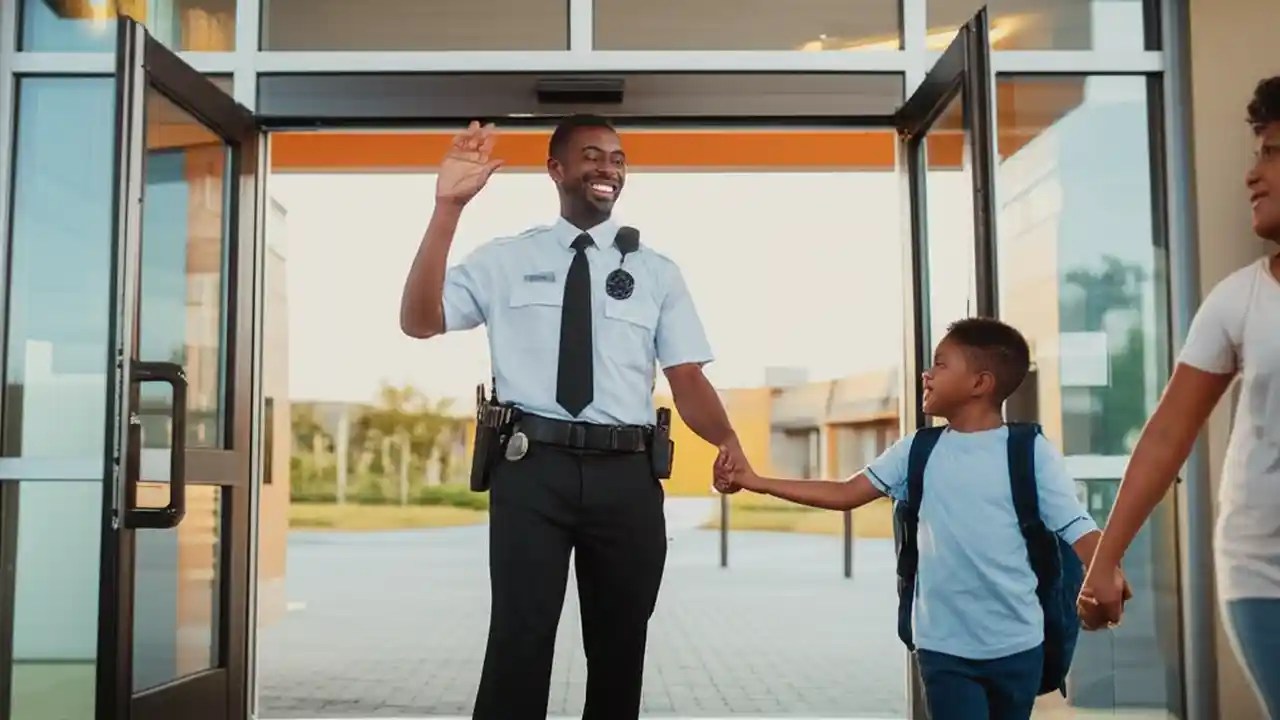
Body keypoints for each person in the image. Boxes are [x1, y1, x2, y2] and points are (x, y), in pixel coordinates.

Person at [398, 115, 746, 720]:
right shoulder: (505, 260)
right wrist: (446, 208)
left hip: (627, 477)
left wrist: (727, 438)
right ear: (555, 170)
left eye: (617, 158)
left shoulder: (657, 272)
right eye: (591, 156)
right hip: (532, 471)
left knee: (619, 651)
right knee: (518, 641)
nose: (607, 168)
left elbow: (686, 376)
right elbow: (420, 320)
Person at [713, 318, 1114, 720]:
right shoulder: (917, 451)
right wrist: (757, 482)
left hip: (1018, 647)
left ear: (980, 383)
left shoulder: (1029, 452)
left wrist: (1105, 575)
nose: (926, 373)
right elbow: (846, 493)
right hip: (943, 649)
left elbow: (1077, 526)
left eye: (940, 364)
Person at [1080, 75, 1280, 719]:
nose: (1253, 174)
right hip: (1265, 575)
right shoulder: (1239, 299)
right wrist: (1105, 561)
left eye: (1273, 153)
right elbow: (1167, 435)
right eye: (1257, 153)